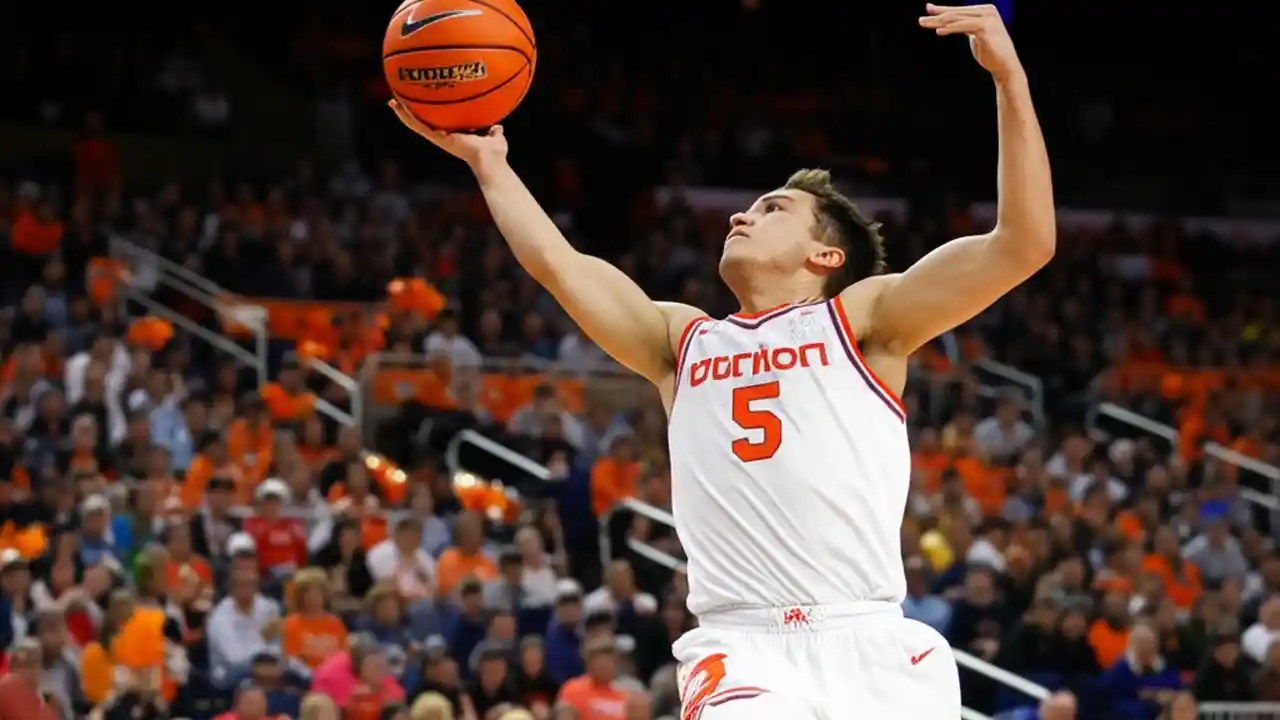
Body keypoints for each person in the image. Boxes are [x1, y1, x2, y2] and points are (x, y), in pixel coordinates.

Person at [389, 4, 1052, 715]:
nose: (741, 215)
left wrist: (1008, 80)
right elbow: (558, 264)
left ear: (825, 255)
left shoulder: (864, 321)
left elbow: (1023, 243)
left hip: (868, 638)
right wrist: (492, 167)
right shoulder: (682, 341)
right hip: (741, 647)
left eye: (772, 209)